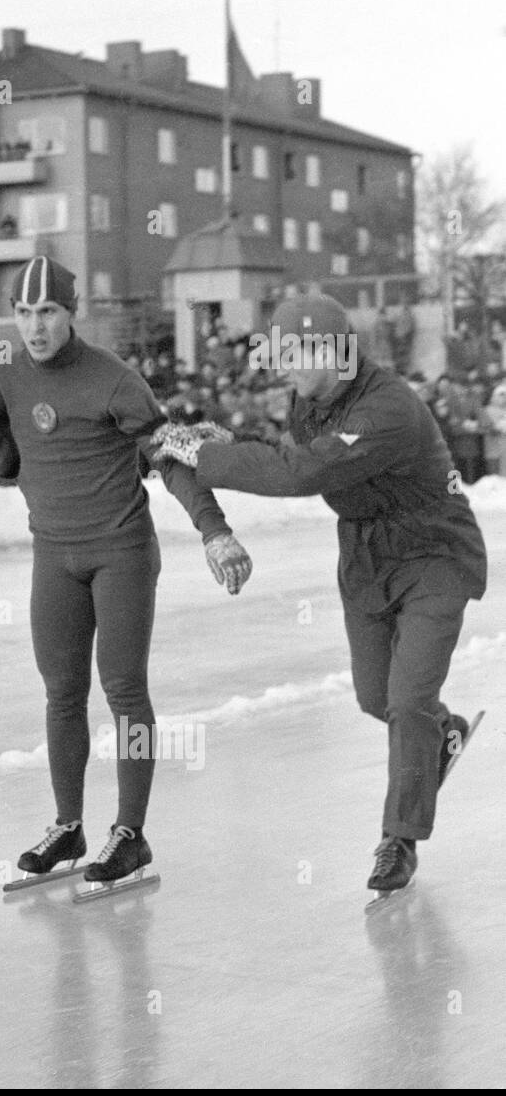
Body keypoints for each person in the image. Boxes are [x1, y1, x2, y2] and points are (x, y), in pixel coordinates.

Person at [153, 294, 487, 893]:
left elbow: (303, 473)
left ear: (336, 353)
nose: (282, 366)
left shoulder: (388, 408)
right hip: (366, 556)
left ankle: (399, 840)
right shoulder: (307, 402)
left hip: (433, 552)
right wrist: (231, 439)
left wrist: (207, 455)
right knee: (375, 697)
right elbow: (295, 454)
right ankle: (443, 733)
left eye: (294, 354)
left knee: (408, 699)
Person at [0, 256, 251, 886]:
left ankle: (130, 833)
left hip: (120, 553)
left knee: (124, 689)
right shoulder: (6, 378)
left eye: (48, 311)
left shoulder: (113, 378)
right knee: (62, 692)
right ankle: (68, 825)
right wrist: (17, 470)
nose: (35, 327)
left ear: (71, 312)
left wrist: (214, 530)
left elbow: (169, 457)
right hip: (54, 555)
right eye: (24, 312)